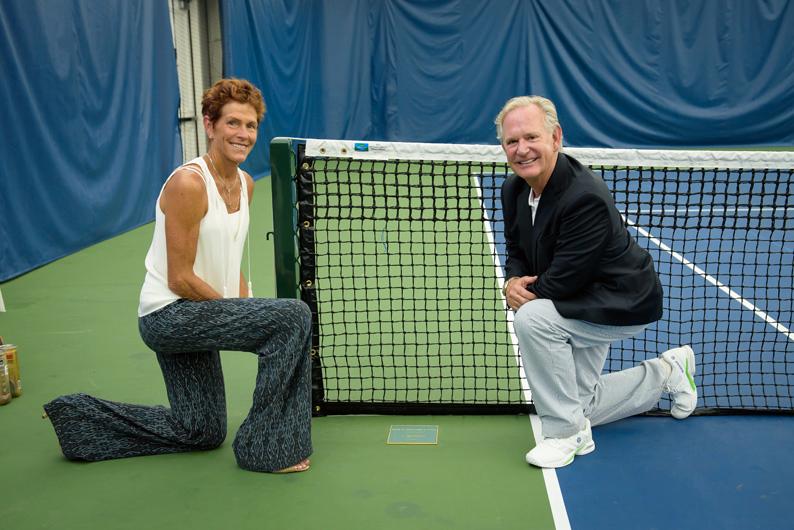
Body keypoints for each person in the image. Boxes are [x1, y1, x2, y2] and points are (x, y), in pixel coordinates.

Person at [44, 78, 313, 473]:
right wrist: (237, 318)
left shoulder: (245, 184)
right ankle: (267, 450)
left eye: (251, 125)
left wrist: (244, 314)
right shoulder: (188, 183)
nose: (243, 134)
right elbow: (180, 279)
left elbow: (230, 259)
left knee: (200, 431)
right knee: (294, 316)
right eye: (233, 123)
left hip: (198, 312)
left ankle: (77, 419)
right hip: (169, 316)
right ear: (210, 125)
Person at [496, 96, 697, 469]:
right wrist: (510, 280)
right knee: (579, 402)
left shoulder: (583, 197)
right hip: (576, 296)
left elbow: (564, 281)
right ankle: (669, 372)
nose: (521, 149)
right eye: (511, 141)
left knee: (533, 319)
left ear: (555, 138)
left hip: (619, 301)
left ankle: (566, 434)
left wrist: (522, 295)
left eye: (531, 137)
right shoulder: (514, 189)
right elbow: (515, 248)